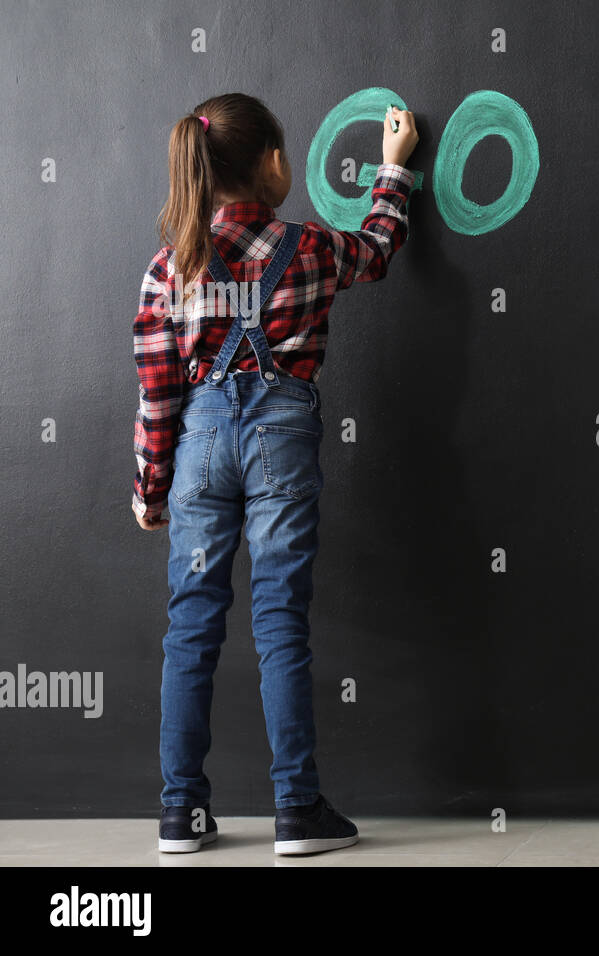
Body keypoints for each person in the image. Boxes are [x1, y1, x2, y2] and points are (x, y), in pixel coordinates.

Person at [132, 92, 418, 854]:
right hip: (281, 437)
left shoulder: (170, 269)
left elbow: (157, 390)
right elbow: (379, 247)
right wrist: (391, 172)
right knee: (278, 619)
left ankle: (181, 815)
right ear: (272, 163)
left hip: (197, 445)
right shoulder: (313, 248)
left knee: (190, 627)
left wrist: (149, 487)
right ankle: (297, 811)